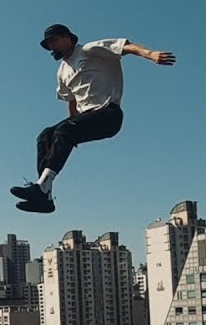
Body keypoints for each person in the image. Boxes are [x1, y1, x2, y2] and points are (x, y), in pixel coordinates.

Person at [11, 23, 176, 213]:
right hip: (87, 117)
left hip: (108, 114)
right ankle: (44, 194)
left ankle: (43, 188)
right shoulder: (62, 71)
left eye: (54, 41)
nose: (52, 47)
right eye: (49, 44)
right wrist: (75, 128)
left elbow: (125, 46)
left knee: (64, 130)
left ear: (68, 37)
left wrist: (150, 54)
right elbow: (71, 100)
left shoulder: (90, 50)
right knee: (45, 135)